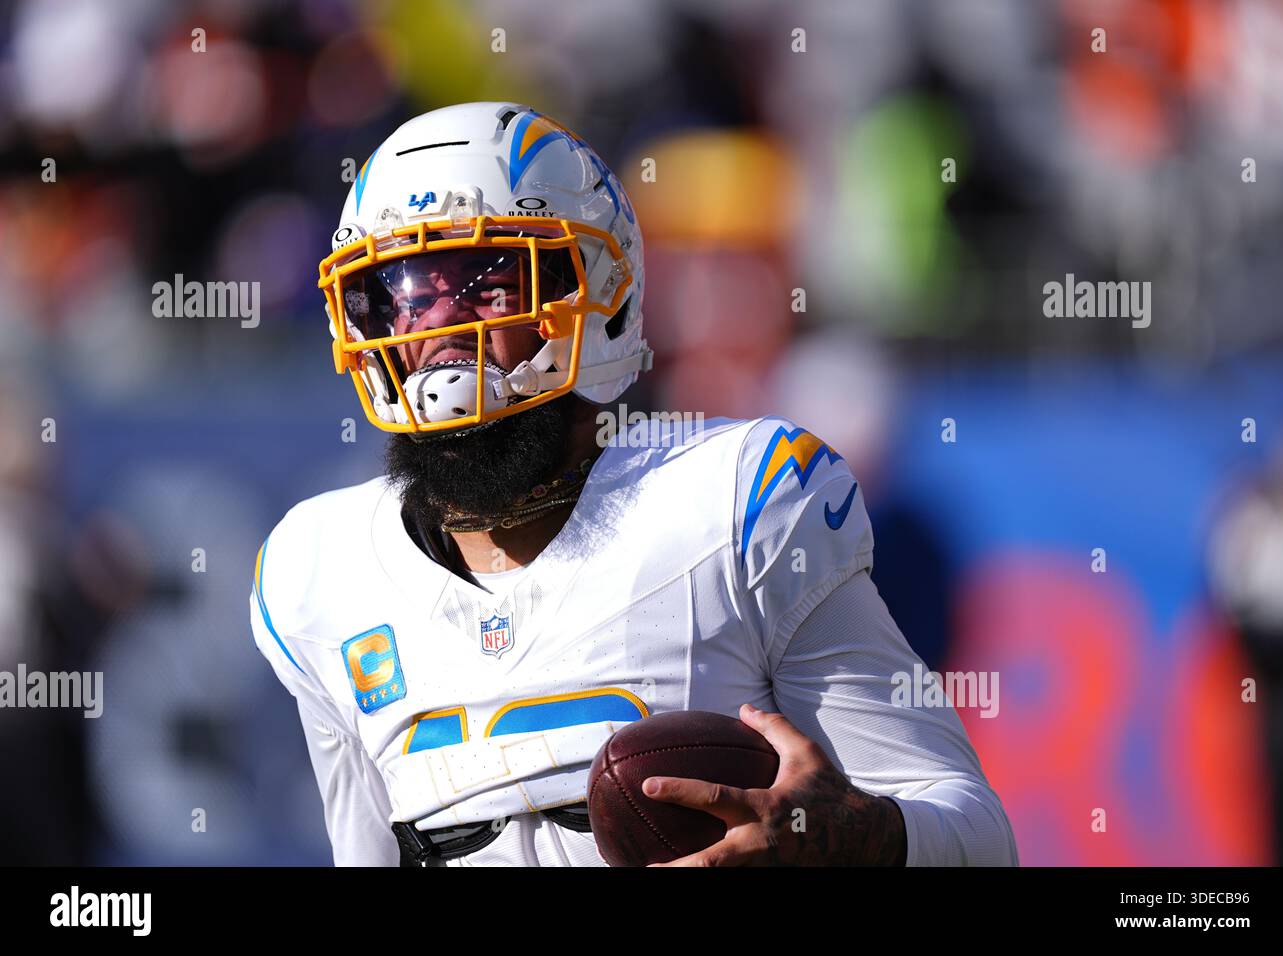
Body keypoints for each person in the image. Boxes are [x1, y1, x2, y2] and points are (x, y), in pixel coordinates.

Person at [250, 102, 1017, 867]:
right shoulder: (317, 571)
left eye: (487, 283)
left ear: (598, 291)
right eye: (406, 293)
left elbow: (978, 838)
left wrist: (856, 838)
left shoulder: (735, 503)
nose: (440, 329)